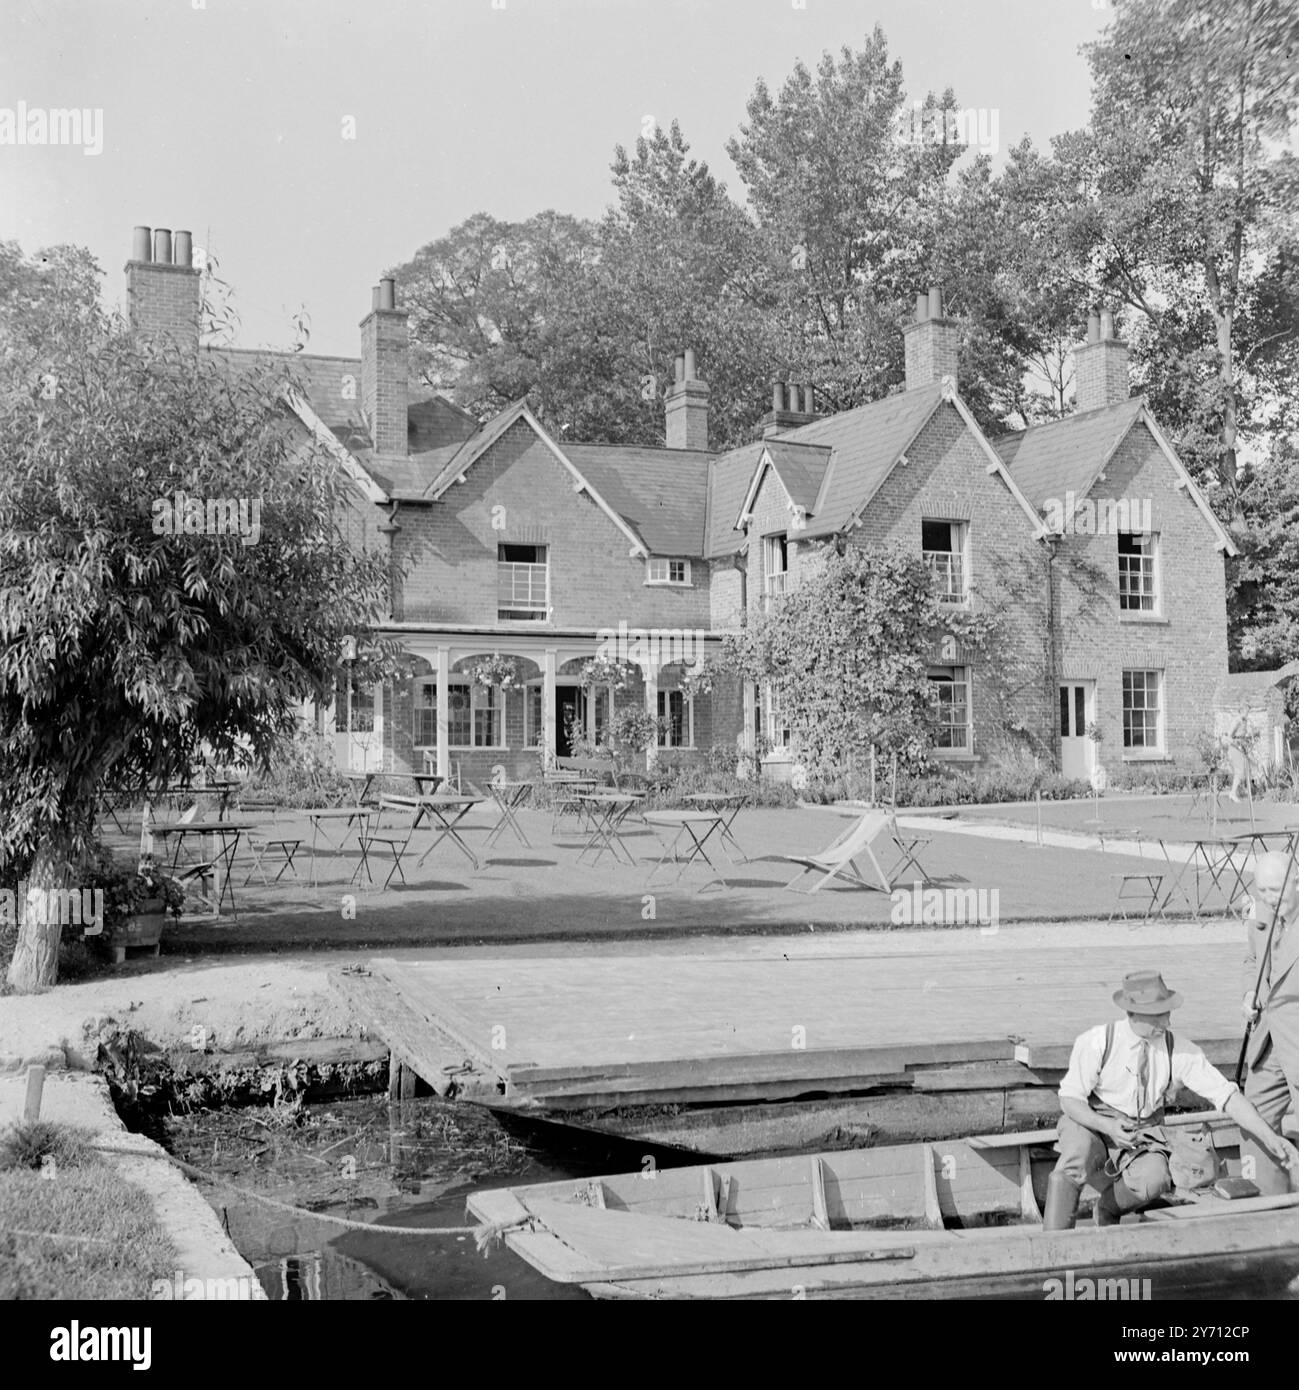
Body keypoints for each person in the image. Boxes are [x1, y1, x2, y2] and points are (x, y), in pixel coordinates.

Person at [1043, 969, 1299, 1229]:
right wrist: (1107, 1126)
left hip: (1141, 1131)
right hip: (1091, 1122)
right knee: (1078, 1154)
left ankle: (1108, 1210)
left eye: (1167, 1013)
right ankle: (1052, 1246)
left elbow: (1228, 1097)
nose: (1166, 1022)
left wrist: (1271, 1137)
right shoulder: (1097, 1041)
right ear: (1132, 1014)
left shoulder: (1179, 1049)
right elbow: (1070, 1101)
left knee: (1155, 1177)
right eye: (1157, 1016)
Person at [1240, 851, 1299, 1195]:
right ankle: (1264, 1201)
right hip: (1268, 1041)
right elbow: (1252, 959)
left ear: (1296, 882)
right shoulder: (1262, 912)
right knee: (1255, 1115)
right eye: (1262, 890)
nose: (1269, 899)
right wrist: (1250, 993)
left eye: (1275, 891)